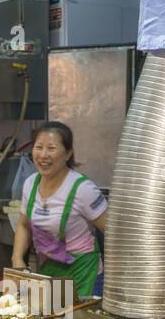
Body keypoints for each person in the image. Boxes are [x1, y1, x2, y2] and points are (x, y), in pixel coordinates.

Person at [10, 121, 108, 298]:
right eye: (38, 147)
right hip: (49, 273)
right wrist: (17, 259)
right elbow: (24, 225)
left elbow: (112, 232)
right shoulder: (30, 184)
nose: (43, 155)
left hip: (83, 275)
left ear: (68, 153)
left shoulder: (82, 188)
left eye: (51, 148)